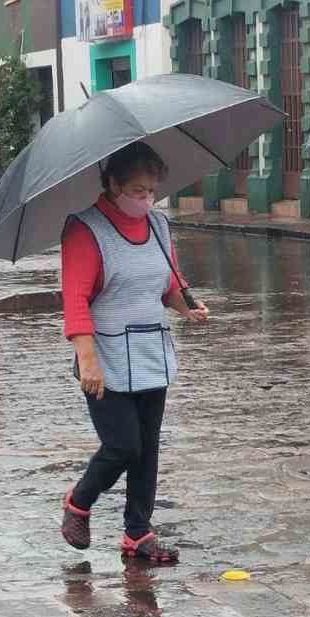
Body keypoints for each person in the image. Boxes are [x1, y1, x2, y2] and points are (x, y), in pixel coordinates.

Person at [58, 141, 209, 564]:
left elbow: (168, 286)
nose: (146, 199)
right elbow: (75, 299)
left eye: (151, 191)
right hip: (103, 356)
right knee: (123, 445)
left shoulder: (159, 226)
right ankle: (78, 502)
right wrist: (87, 361)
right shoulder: (84, 229)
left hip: (151, 353)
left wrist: (188, 307)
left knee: (148, 449)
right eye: (137, 190)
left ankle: (138, 533)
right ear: (112, 184)